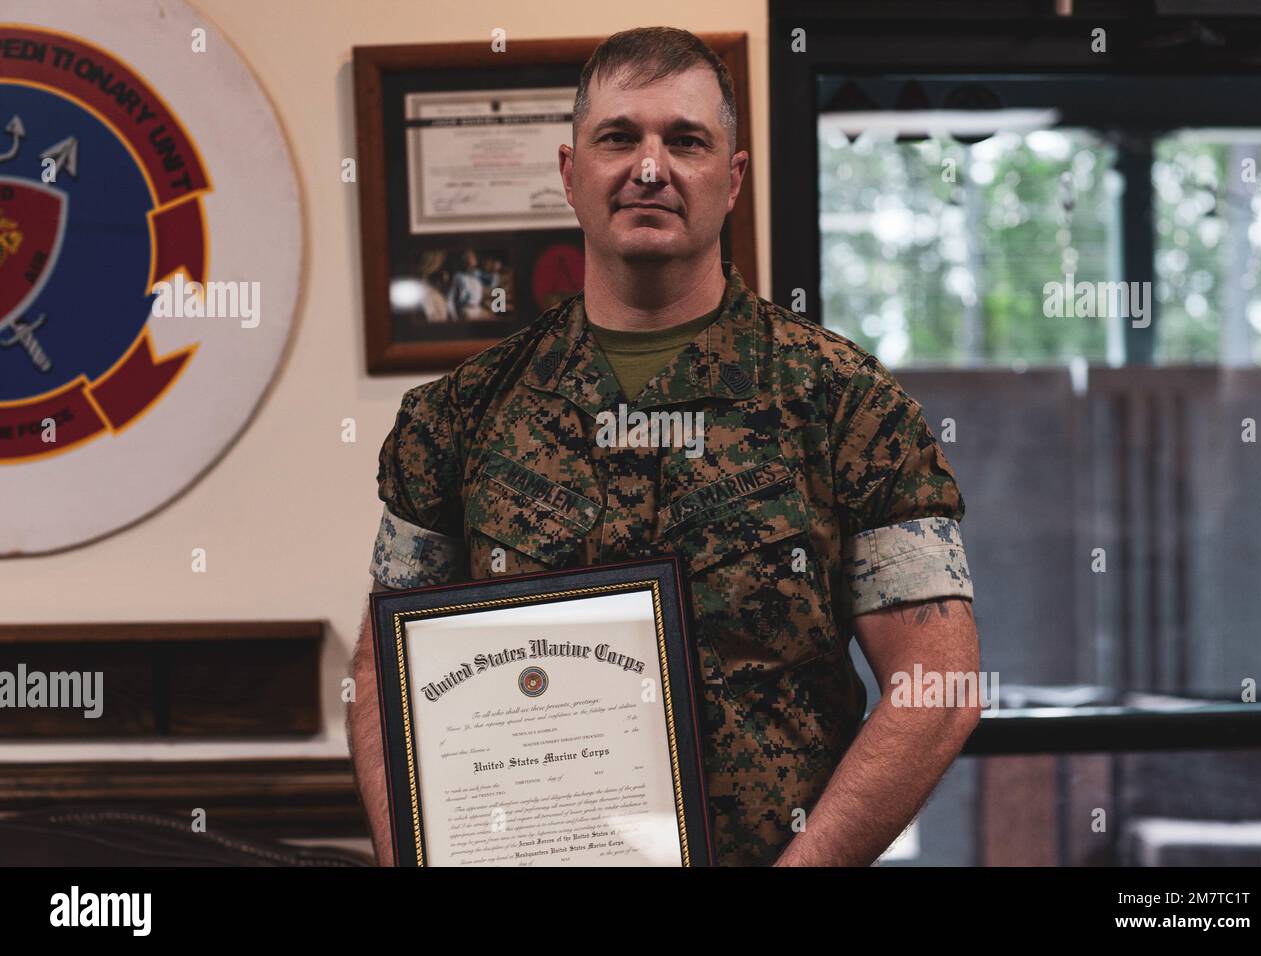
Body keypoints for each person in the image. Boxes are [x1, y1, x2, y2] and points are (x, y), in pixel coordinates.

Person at [348, 26, 981, 867]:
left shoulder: (845, 406)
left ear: (734, 178)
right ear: (571, 175)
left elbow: (936, 686)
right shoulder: (459, 416)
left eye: (686, 141)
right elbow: (380, 668)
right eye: (620, 138)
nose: (651, 168)